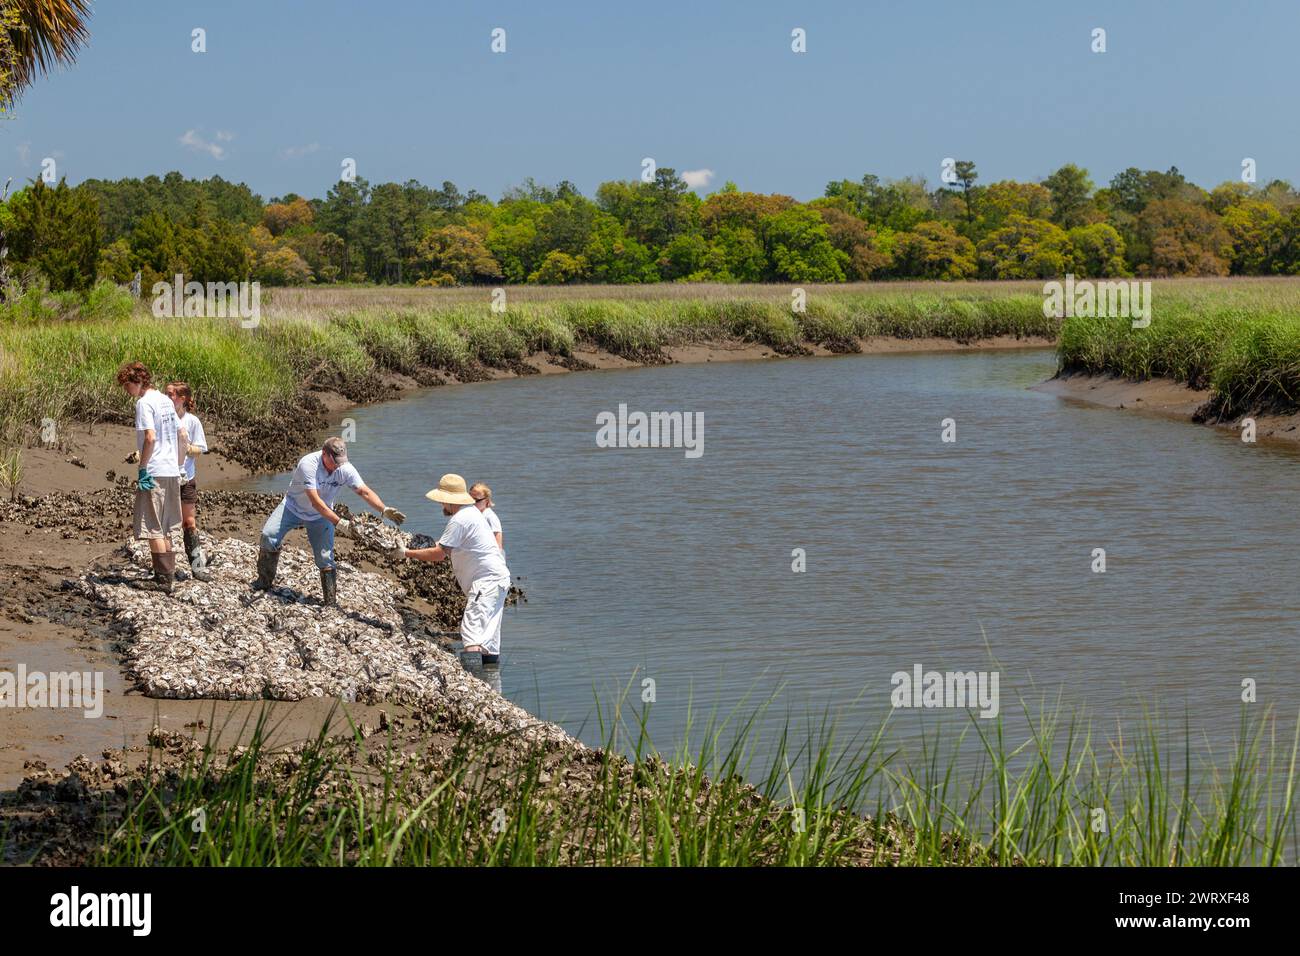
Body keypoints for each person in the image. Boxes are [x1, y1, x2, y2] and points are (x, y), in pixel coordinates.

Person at [253, 437, 405, 605]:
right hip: (292, 507)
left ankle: (330, 602)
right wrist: (340, 523)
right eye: (335, 462)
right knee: (269, 536)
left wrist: (383, 509)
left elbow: (364, 491)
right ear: (324, 454)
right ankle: (264, 583)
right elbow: (316, 502)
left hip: (320, 517)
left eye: (341, 461)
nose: (338, 466)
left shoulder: (345, 468)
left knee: (326, 558)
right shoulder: (308, 464)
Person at [391, 474, 510, 665]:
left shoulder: (460, 519)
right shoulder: (472, 514)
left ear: (448, 500)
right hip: (499, 580)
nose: (441, 506)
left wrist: (406, 553)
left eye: (441, 501)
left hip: (486, 582)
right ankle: (491, 689)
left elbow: (439, 554)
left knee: (471, 634)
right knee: (489, 643)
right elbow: (446, 544)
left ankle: (472, 689)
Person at [116, 361, 183, 593]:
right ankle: (166, 575)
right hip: (171, 470)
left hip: (155, 469)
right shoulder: (165, 400)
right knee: (164, 525)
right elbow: (181, 434)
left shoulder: (144, 403)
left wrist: (143, 468)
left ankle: (162, 581)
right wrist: (179, 463)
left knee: (153, 526)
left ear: (137, 381)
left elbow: (150, 438)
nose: (127, 391)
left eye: (127, 386)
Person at [165, 381, 212, 582]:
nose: (167, 398)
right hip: (166, 476)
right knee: (164, 524)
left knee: (189, 522)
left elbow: (201, 448)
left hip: (187, 477)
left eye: (171, 395)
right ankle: (165, 570)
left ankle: (197, 567)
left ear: (182, 399)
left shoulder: (192, 421)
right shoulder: (163, 418)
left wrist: (186, 447)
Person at [469, 481, 503, 551]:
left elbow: (498, 544)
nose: (472, 502)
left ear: (486, 500)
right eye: (470, 499)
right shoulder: (472, 514)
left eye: (476, 500)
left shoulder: (490, 517)